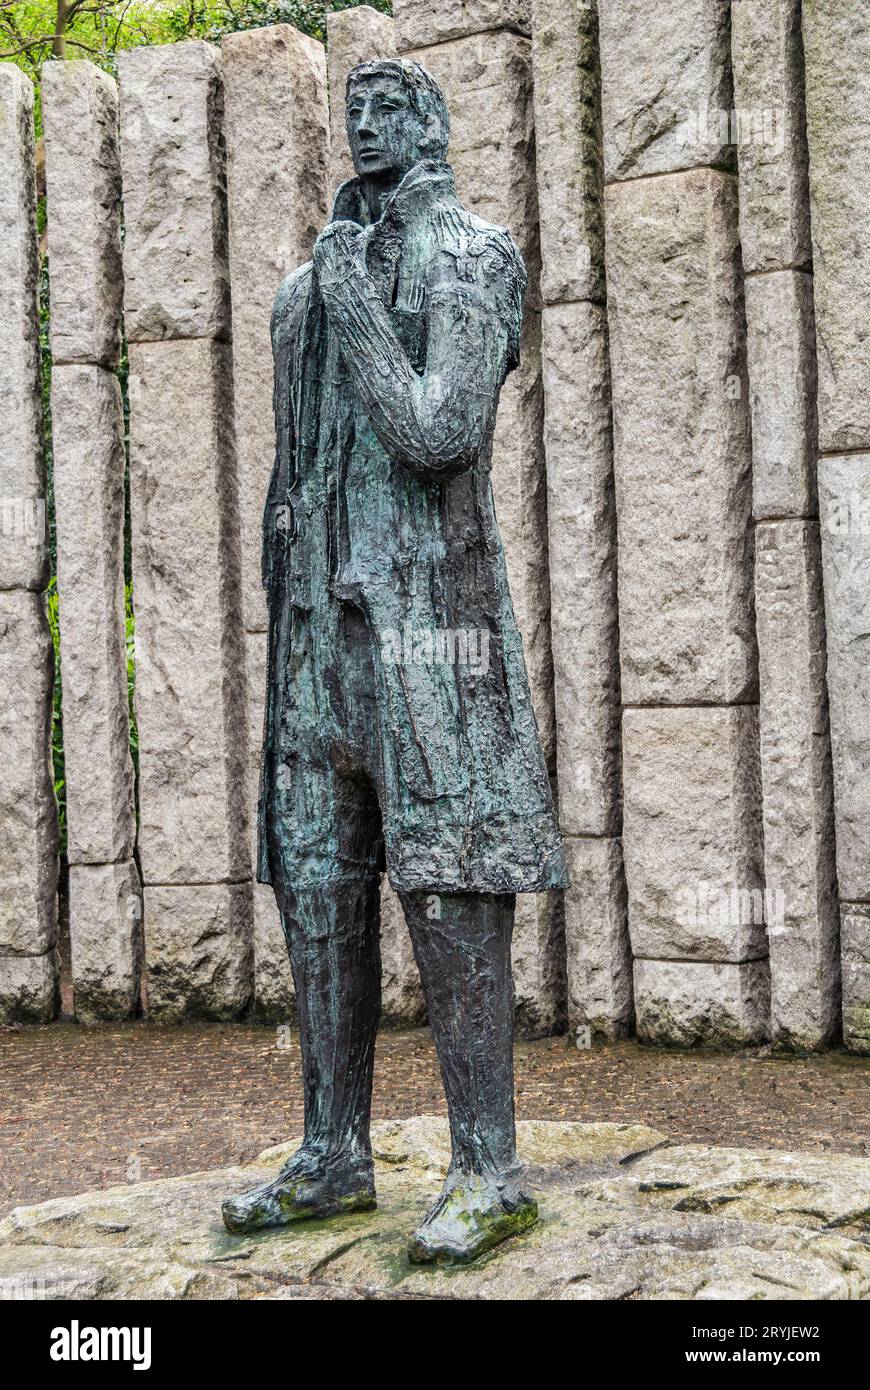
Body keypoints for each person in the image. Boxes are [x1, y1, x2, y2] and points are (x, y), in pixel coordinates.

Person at [221, 58, 568, 1264]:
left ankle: (487, 1164)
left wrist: (354, 297)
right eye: (353, 108)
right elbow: (290, 478)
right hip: (318, 643)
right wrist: (289, 601)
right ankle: (331, 1149)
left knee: (453, 885)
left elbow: (436, 432)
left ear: (434, 124)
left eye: (391, 106)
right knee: (316, 884)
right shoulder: (302, 291)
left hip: (432, 638)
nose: (366, 125)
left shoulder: (475, 256)